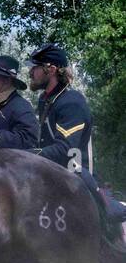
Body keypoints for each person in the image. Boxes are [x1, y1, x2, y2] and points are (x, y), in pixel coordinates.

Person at [26, 43, 92, 174]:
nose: (30, 72)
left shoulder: (72, 102)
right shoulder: (45, 99)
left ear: (51, 70)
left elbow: (65, 150)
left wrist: (26, 155)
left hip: (75, 178)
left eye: (35, 67)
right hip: (53, 173)